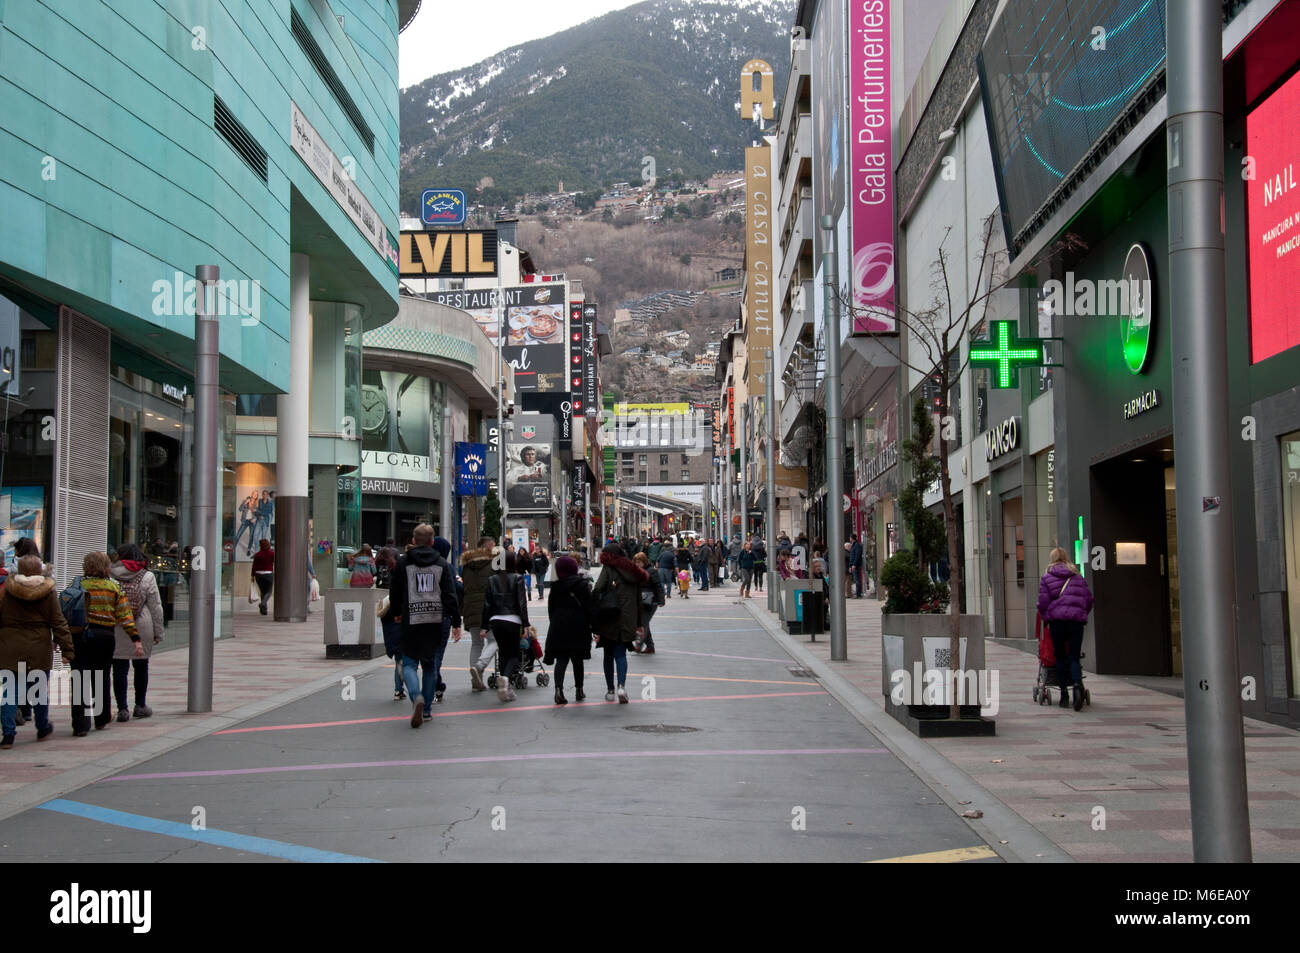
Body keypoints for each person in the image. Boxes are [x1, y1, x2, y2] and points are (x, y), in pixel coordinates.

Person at [388, 524, 461, 727]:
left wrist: (395, 613)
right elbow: (450, 595)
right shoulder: (441, 564)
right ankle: (427, 710)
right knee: (429, 665)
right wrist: (456, 621)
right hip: (434, 621)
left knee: (410, 663)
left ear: (413, 540)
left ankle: (415, 695)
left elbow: (395, 591)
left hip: (410, 619)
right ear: (431, 541)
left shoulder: (403, 563)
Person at [0, 555, 73, 747]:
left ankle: (8, 734)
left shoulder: (7, 591)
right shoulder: (48, 593)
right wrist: (67, 650)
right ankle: (42, 727)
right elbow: (58, 622)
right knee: (39, 689)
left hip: (10, 646)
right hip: (39, 647)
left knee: (9, 691)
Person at [74, 551, 142, 736]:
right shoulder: (114, 587)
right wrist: (135, 639)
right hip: (105, 636)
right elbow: (125, 616)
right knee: (102, 676)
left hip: (81, 636)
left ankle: (80, 724)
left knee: (80, 678)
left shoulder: (78, 585)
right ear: (106, 567)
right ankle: (101, 718)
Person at [109, 543, 164, 722]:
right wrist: (158, 631)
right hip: (142, 624)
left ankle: (122, 709)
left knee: (119, 669)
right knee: (141, 666)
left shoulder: (111, 574)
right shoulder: (147, 575)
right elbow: (156, 607)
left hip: (118, 625)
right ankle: (140, 705)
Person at [1036, 547, 1095, 711]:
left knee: (1060, 657)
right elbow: (1089, 599)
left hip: (1057, 622)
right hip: (1076, 622)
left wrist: (1046, 617)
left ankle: (1064, 695)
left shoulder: (1047, 577)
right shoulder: (1077, 576)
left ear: (1052, 559)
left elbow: (1042, 602)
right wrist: (1082, 613)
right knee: (1074, 657)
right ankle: (1077, 685)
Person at [590, 543, 648, 702]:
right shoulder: (633, 571)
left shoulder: (609, 569)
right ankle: (622, 687)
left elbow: (598, 588)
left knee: (608, 654)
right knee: (621, 654)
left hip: (610, 616)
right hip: (628, 618)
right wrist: (639, 623)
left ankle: (610, 691)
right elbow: (638, 600)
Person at [481, 550, 530, 704]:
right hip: (512, 619)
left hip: (496, 620)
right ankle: (506, 679)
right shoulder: (517, 578)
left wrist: (484, 626)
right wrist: (526, 624)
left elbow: (487, 604)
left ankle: (504, 686)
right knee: (514, 654)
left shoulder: (492, 579)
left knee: (502, 652)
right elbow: (522, 603)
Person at [543, 555, 591, 705]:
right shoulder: (582, 585)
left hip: (559, 626)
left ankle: (558, 690)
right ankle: (579, 689)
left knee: (561, 659)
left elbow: (551, 608)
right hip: (579, 625)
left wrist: (555, 622)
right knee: (578, 660)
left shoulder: (555, 587)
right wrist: (592, 626)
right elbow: (589, 607)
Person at [461, 537, 498, 691]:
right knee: (494, 640)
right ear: (489, 547)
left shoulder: (467, 564)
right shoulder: (493, 564)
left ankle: (476, 682)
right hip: (487, 608)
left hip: (470, 607)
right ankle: (480, 666)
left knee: (476, 643)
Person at [429, 536, 460, 706]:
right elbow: (452, 595)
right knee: (436, 655)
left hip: (420, 615)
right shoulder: (445, 566)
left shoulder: (413, 562)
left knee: (428, 655)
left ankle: (437, 686)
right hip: (442, 615)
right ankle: (433, 689)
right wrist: (456, 622)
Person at [376, 545, 404, 700]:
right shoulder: (399, 571)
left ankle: (398, 689)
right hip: (397, 611)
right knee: (402, 655)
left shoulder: (380, 567)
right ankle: (401, 684)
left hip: (385, 611)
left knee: (397, 653)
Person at [632, 551, 664, 654]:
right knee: (644, 624)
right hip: (640, 601)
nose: (637, 564)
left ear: (644, 561)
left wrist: (661, 599)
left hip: (651, 601)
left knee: (642, 624)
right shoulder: (636, 571)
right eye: (636, 562)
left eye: (639, 562)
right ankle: (650, 646)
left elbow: (658, 585)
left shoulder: (651, 571)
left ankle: (638, 645)